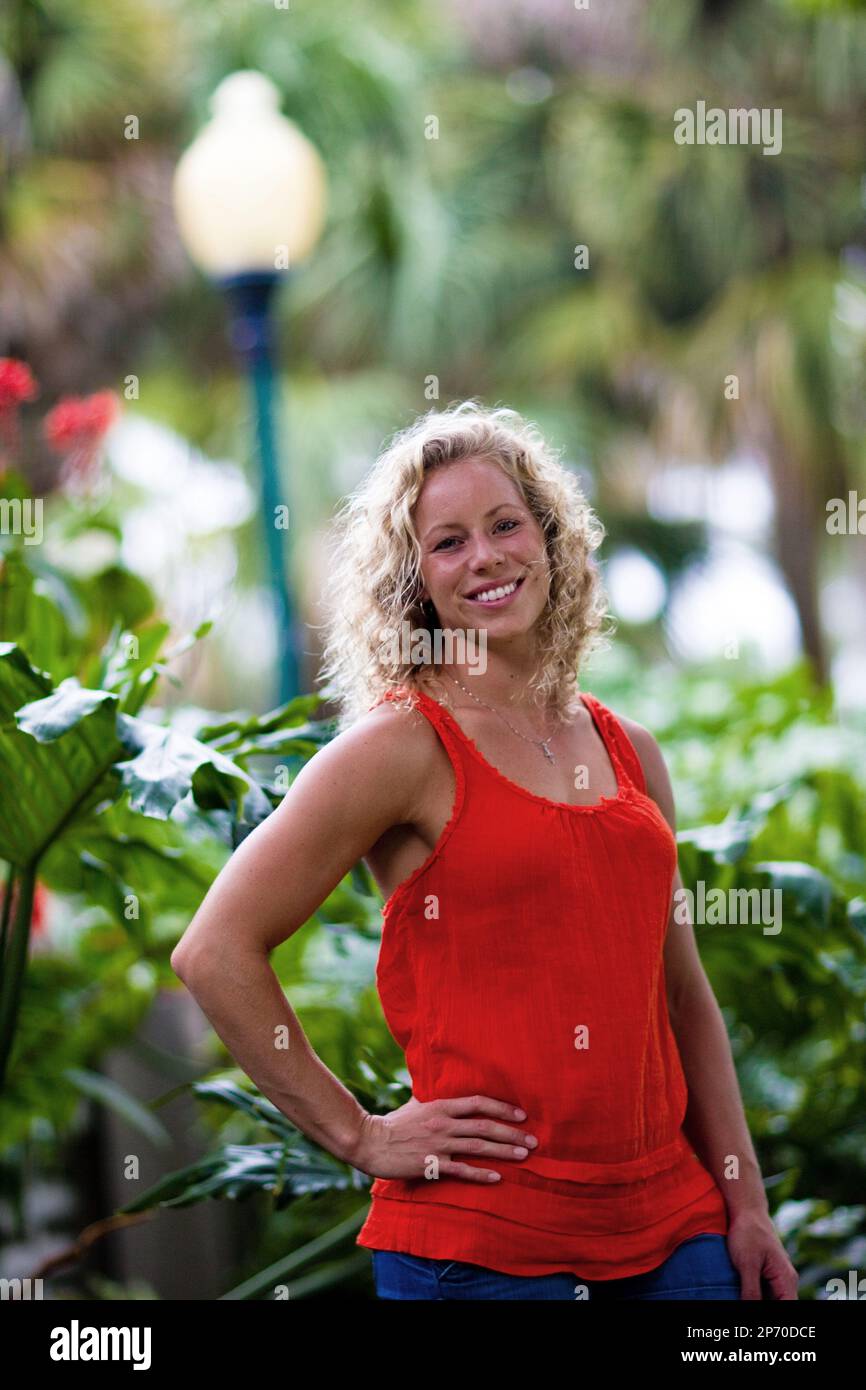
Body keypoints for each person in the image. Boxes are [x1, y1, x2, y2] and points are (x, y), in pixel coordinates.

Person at [171, 401, 799, 1302]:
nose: (487, 558)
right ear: (415, 579)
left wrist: (746, 1204)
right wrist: (362, 1135)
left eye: (505, 524)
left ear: (549, 538)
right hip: (483, 1246)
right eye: (449, 542)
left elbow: (683, 996)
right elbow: (214, 951)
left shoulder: (631, 752)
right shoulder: (397, 748)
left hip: (678, 1231)